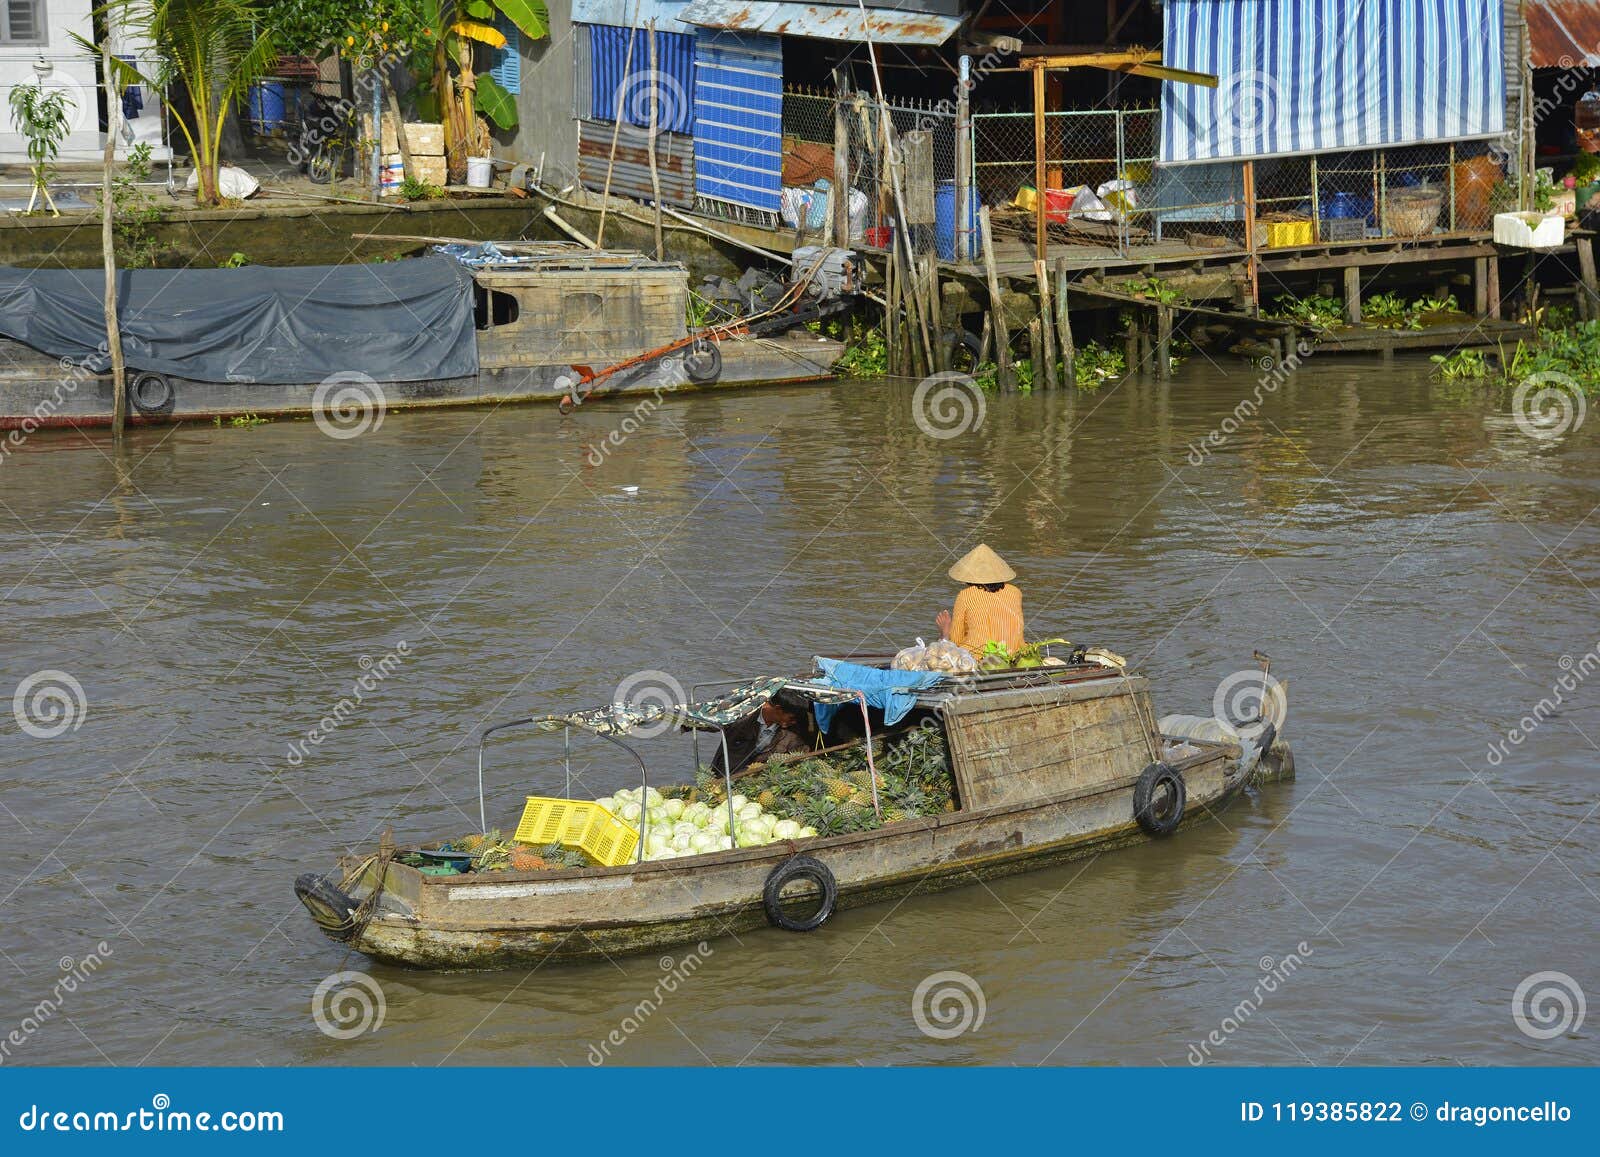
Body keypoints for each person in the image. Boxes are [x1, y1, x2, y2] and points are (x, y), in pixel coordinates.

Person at [936, 543, 1024, 657]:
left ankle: (944, 635)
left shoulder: (965, 595)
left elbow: (956, 641)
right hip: (1014, 653)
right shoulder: (1015, 592)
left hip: (977, 656)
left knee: (943, 646)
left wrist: (945, 631)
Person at [712, 689, 815, 775]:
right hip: (724, 774)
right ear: (778, 709)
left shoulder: (791, 733)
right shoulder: (742, 716)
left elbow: (802, 754)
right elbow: (709, 724)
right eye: (791, 718)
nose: (793, 722)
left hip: (759, 780)